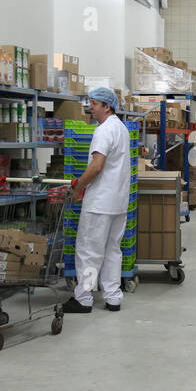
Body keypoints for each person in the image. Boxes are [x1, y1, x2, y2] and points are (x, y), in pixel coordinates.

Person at [62, 87, 130, 314]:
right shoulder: (121, 129)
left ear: (107, 106)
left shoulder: (103, 130)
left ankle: (84, 298)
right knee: (112, 250)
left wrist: (78, 187)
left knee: (90, 251)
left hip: (100, 202)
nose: (89, 107)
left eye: (93, 103)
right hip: (118, 202)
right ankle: (113, 297)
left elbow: (97, 166)